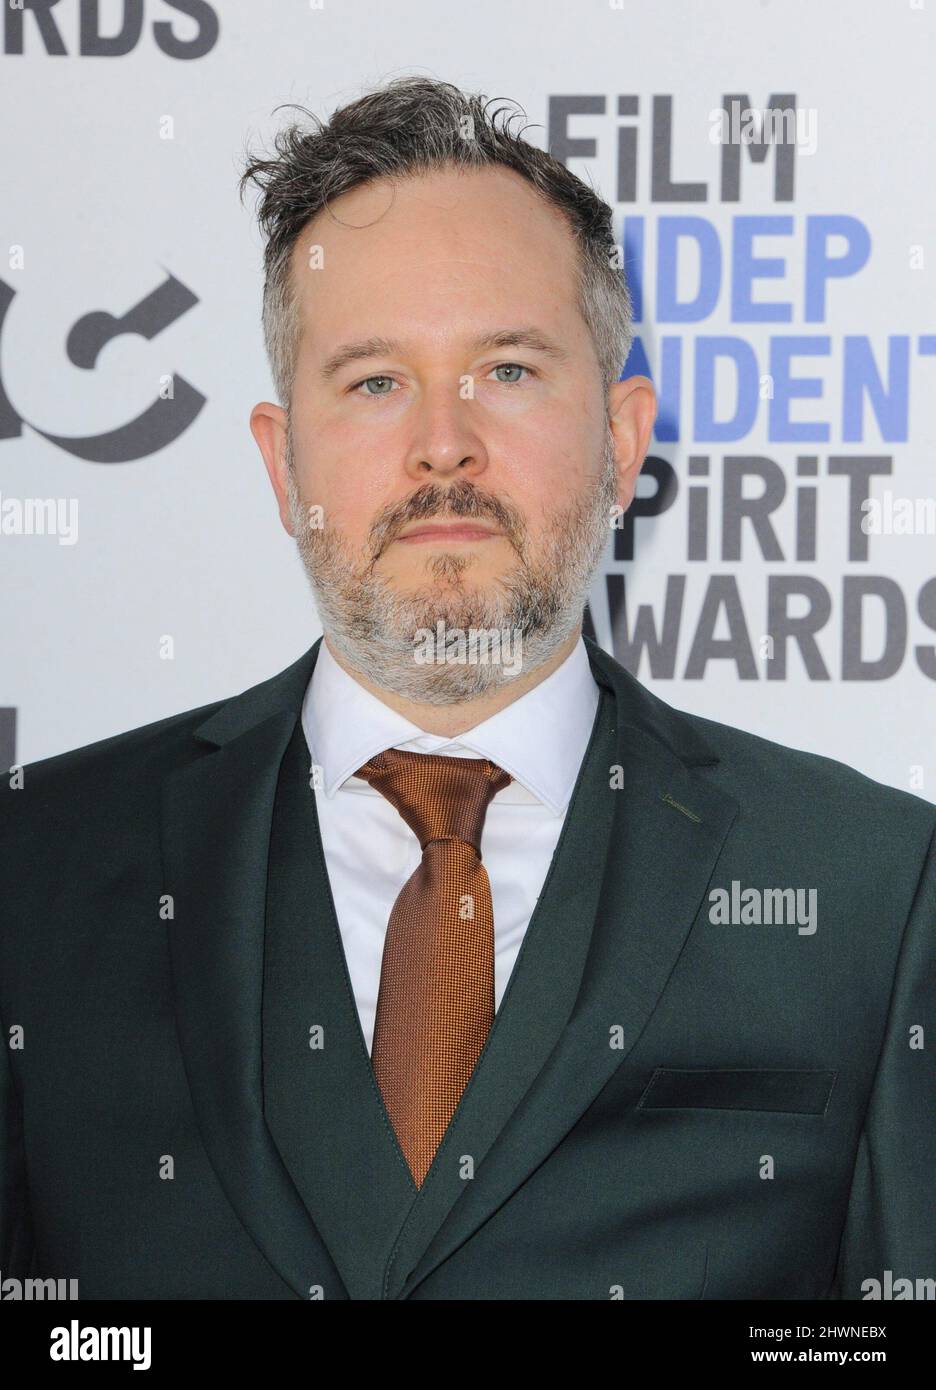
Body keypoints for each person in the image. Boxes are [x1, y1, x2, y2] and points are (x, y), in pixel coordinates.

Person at [1, 76, 933, 1302]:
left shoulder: (871, 885)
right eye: (376, 381)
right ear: (284, 465)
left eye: (506, 368)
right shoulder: (37, 866)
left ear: (624, 438)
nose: (444, 443)